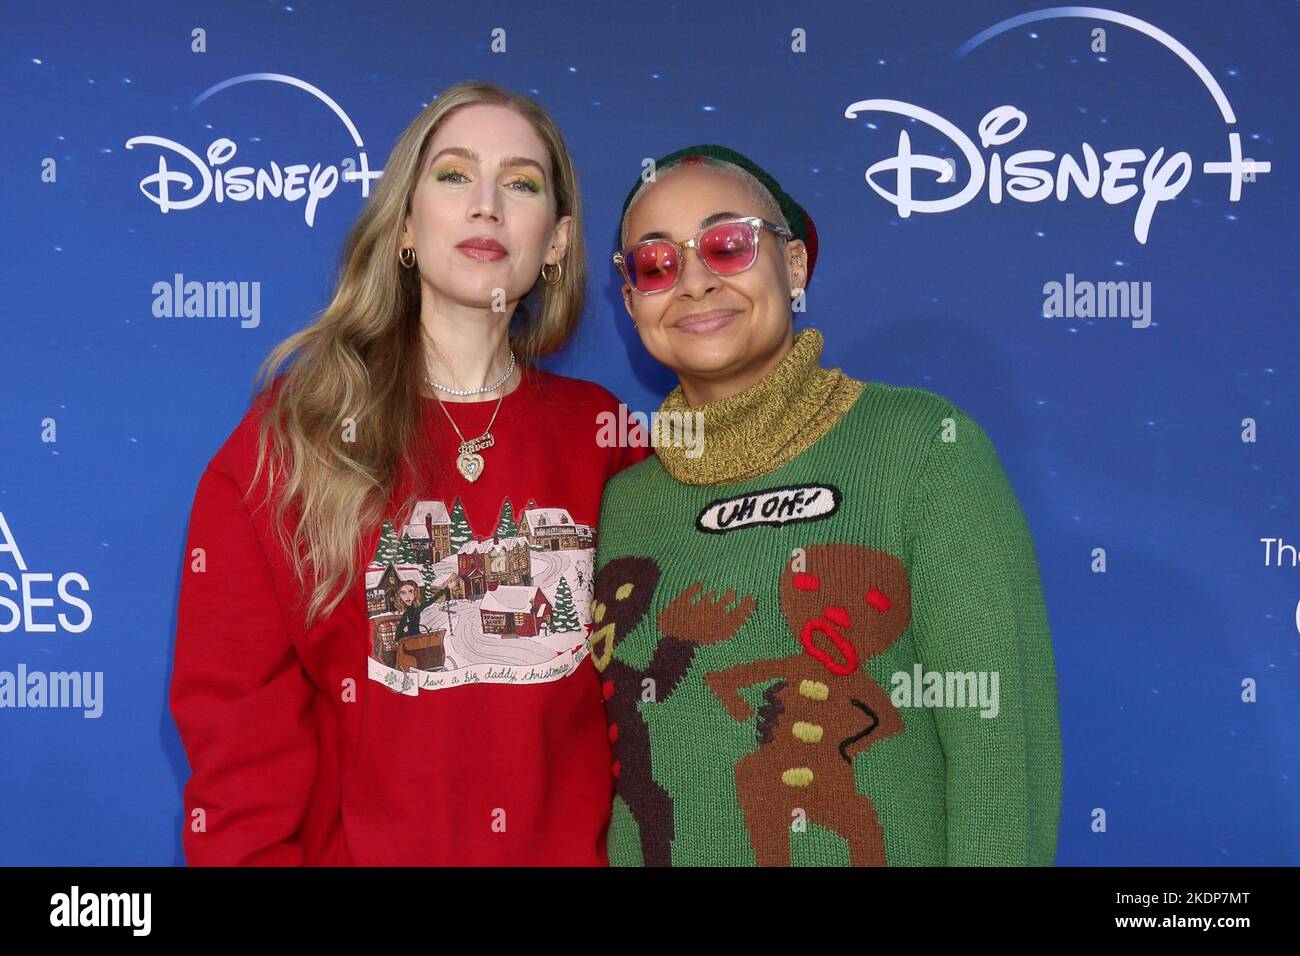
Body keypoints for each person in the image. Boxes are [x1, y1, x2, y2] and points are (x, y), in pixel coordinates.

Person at [169, 81, 648, 866]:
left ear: (556, 243)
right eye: (455, 174)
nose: (486, 204)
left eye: (521, 183)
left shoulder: (607, 438)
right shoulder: (294, 440)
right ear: (403, 226)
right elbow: (236, 745)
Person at [590, 144, 1062, 866]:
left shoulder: (923, 446)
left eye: (726, 245)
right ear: (631, 303)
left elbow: (1001, 751)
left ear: (797, 265)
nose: (692, 282)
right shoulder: (622, 502)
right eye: (656, 264)